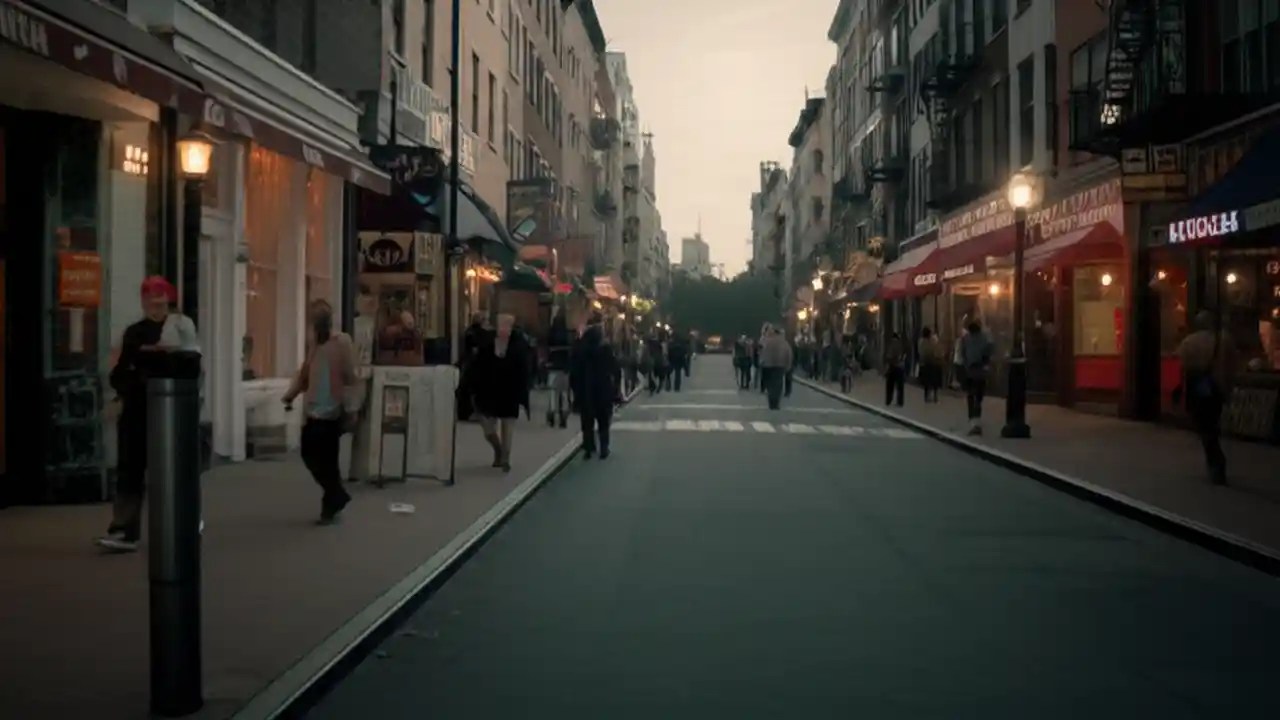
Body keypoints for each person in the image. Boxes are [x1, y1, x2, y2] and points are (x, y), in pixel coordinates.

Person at [96, 277, 199, 552]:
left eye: (160, 300)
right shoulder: (133, 333)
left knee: (170, 470)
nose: (155, 305)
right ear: (143, 302)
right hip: (136, 411)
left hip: (169, 412)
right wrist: (129, 386)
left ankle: (180, 527)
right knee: (129, 471)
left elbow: (192, 368)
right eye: (150, 300)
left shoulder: (181, 328)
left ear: (168, 301)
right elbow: (118, 372)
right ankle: (124, 531)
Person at [283, 300, 358, 525]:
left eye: (318, 320)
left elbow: (350, 377)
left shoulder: (342, 342)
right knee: (309, 452)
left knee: (328, 461)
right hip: (313, 409)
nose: (315, 325)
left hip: (333, 410)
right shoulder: (314, 344)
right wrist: (290, 395)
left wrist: (352, 408)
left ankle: (331, 503)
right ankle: (336, 494)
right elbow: (305, 374)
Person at [1176, 310, 1236, 485]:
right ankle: (1215, 461)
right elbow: (1232, 364)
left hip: (1197, 387)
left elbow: (1183, 365)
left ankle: (1215, 461)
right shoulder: (1224, 339)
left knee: (1204, 426)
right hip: (1217, 386)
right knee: (1212, 422)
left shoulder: (1189, 342)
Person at [471, 314, 530, 471]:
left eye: (506, 326)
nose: (503, 328)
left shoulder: (519, 345)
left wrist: (523, 393)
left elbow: (525, 369)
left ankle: (505, 459)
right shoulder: (488, 343)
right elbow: (477, 365)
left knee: (508, 426)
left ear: (511, 328)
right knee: (487, 427)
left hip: (510, 391)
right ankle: (497, 448)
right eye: (500, 325)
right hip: (489, 391)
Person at [571, 313, 622, 459]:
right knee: (603, 418)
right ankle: (604, 447)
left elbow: (574, 368)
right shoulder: (605, 348)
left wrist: (575, 389)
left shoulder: (580, 347)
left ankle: (589, 446)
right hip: (603, 387)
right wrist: (616, 387)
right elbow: (615, 367)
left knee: (587, 419)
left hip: (585, 387)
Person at [958, 320, 994, 435]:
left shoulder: (966, 339)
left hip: (970, 371)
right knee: (978, 397)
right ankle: (976, 420)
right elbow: (990, 350)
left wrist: (965, 364)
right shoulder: (984, 339)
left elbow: (962, 354)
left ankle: (973, 420)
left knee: (970, 395)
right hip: (980, 371)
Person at [546, 310, 572, 427]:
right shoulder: (567, 336)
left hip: (553, 366)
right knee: (564, 393)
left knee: (553, 392)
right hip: (564, 368)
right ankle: (563, 416)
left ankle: (552, 413)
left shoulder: (551, 335)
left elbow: (547, 348)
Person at [917, 327, 944, 403]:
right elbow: (935, 351)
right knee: (934, 380)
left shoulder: (921, 342)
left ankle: (926, 396)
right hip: (932, 363)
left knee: (927, 382)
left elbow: (921, 352)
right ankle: (935, 396)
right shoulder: (931, 342)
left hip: (925, 364)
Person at [883, 331, 906, 407]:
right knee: (900, 386)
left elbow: (889, 356)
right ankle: (900, 402)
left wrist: (888, 362)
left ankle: (888, 400)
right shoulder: (901, 345)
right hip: (901, 367)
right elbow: (904, 355)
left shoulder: (891, 345)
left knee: (890, 385)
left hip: (893, 367)